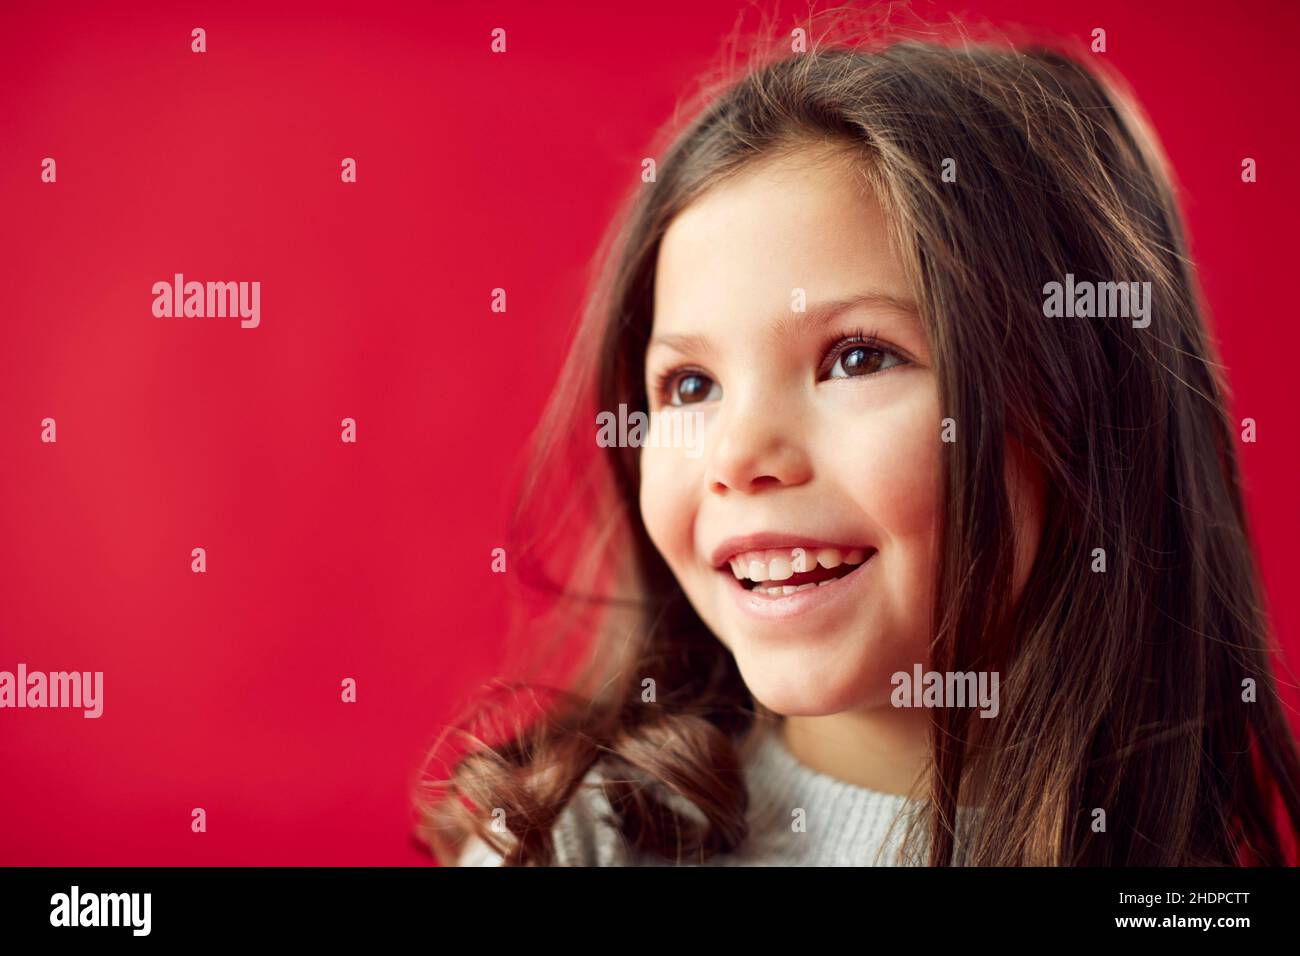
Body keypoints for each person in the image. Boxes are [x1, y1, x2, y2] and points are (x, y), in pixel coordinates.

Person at [415, 17, 1300, 867]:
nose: (737, 456)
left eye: (857, 358)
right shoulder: (577, 849)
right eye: (691, 386)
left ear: (1085, 408)